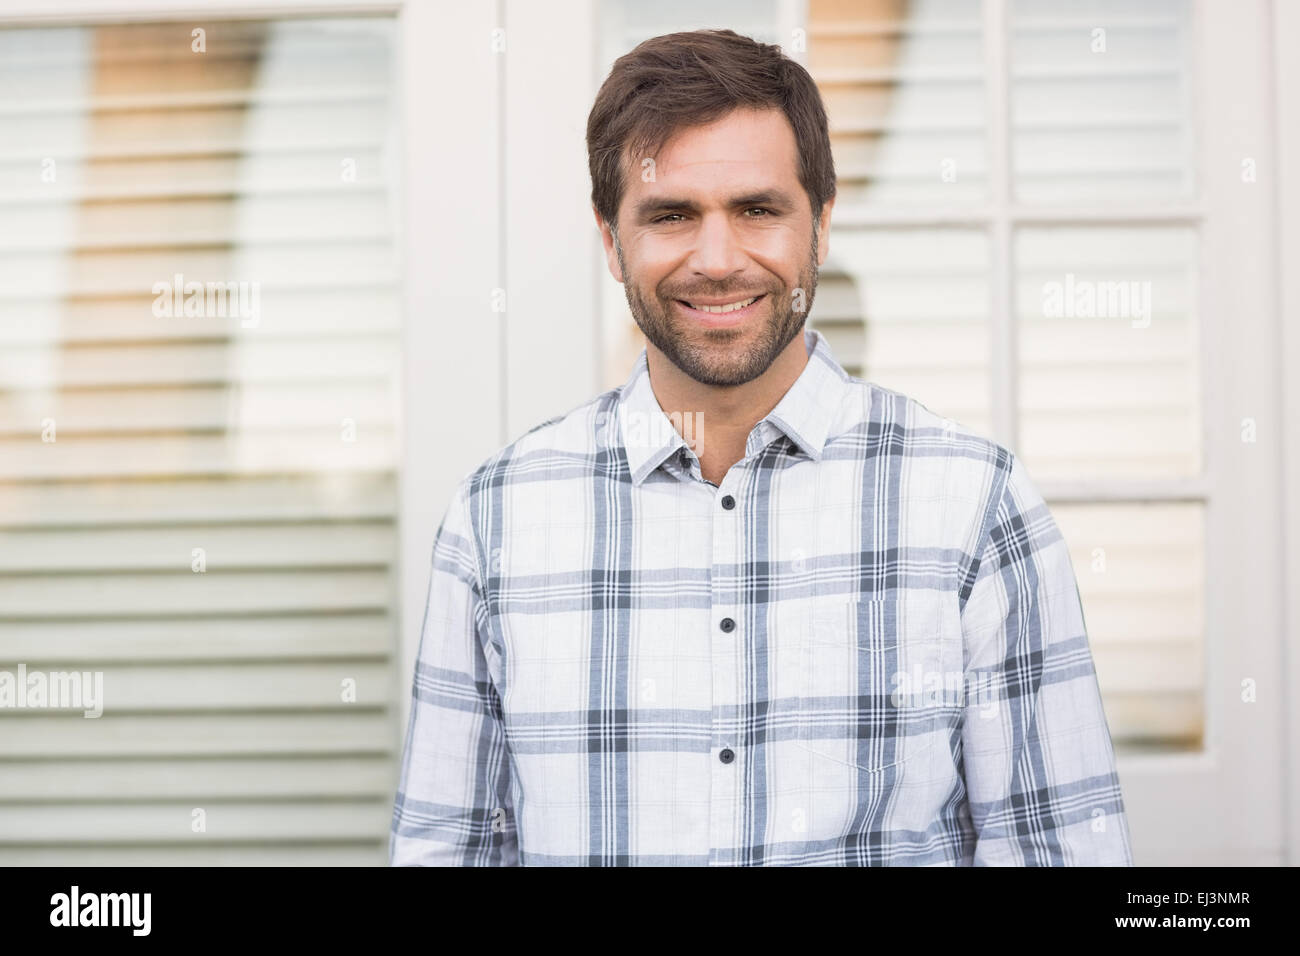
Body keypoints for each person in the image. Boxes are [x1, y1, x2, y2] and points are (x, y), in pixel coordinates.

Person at [390, 28, 1133, 866]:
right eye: (671, 215)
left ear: (818, 224)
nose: (717, 259)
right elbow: (449, 849)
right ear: (610, 241)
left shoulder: (974, 503)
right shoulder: (497, 519)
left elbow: (1055, 849)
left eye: (757, 210)